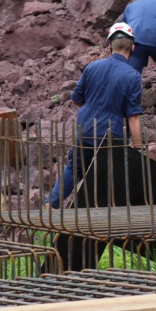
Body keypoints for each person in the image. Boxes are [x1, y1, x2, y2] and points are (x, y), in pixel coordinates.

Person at [48, 22, 144, 209]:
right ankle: (101, 212)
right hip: (110, 134)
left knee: (74, 169)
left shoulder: (92, 67)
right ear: (132, 47)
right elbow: (133, 116)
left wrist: (92, 109)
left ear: (109, 46)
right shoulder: (132, 76)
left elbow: (76, 98)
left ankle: (51, 205)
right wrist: (139, 147)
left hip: (84, 128)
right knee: (110, 174)